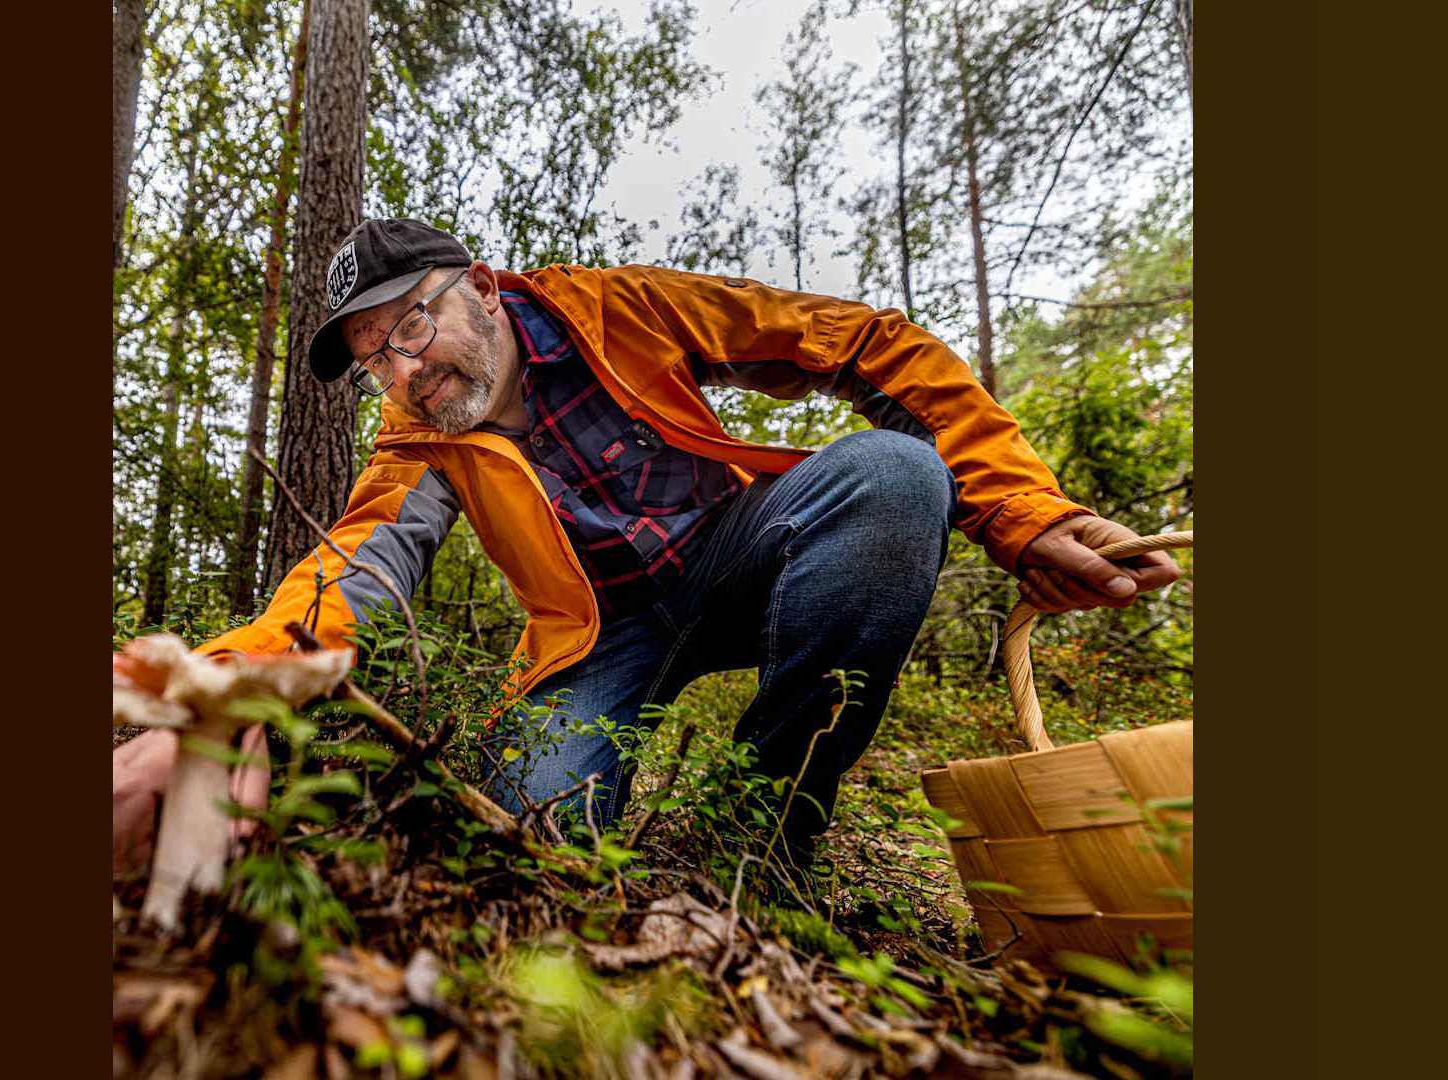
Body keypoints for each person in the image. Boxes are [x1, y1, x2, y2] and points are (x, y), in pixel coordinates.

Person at [133, 217, 1178, 866]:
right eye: (375, 361)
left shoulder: (617, 308)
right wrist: (224, 693)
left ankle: (766, 830)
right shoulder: (417, 441)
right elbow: (358, 564)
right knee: (535, 832)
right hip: (598, 637)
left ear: (483, 289)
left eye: (411, 327)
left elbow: (866, 343)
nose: (403, 373)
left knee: (895, 477)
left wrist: (1022, 511)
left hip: (733, 552)